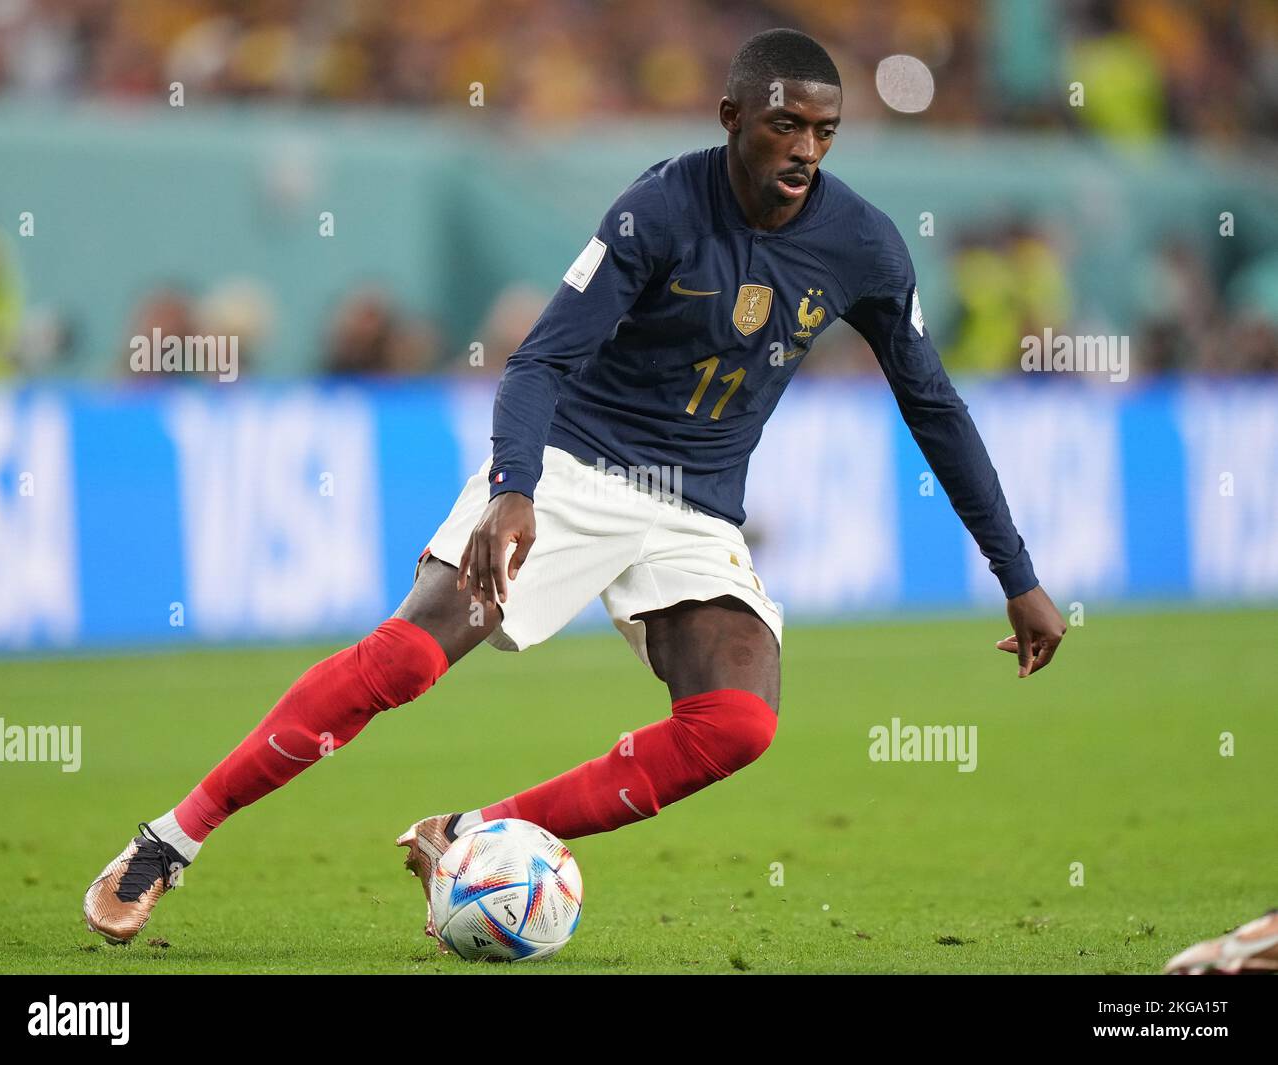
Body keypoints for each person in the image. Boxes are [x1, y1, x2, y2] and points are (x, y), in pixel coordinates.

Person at [84, 28, 1066, 951]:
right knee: (408, 661)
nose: (804, 149)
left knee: (737, 725)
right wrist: (514, 489)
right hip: (570, 469)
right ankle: (170, 838)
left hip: (694, 511)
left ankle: (470, 836)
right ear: (730, 117)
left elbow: (933, 406)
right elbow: (538, 364)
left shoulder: (862, 245)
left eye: (823, 131)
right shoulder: (659, 209)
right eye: (784, 125)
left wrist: (1015, 574)